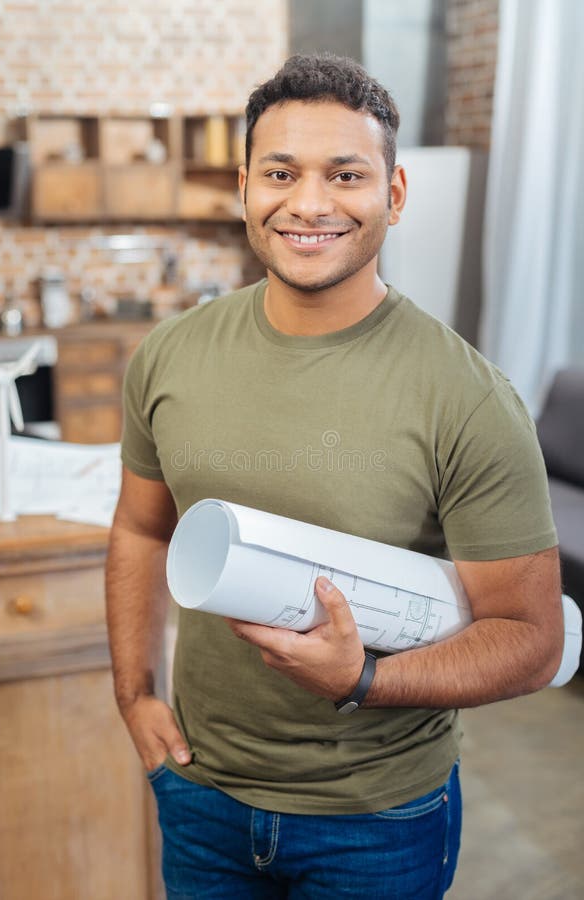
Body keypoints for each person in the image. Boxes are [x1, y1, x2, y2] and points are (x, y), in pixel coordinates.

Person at [106, 53, 564, 900]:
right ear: (245, 186)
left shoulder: (467, 397)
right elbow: (141, 528)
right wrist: (134, 697)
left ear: (391, 194)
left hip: (376, 821)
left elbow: (531, 640)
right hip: (199, 790)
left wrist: (365, 681)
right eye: (280, 172)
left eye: (344, 175)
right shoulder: (169, 355)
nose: (308, 203)